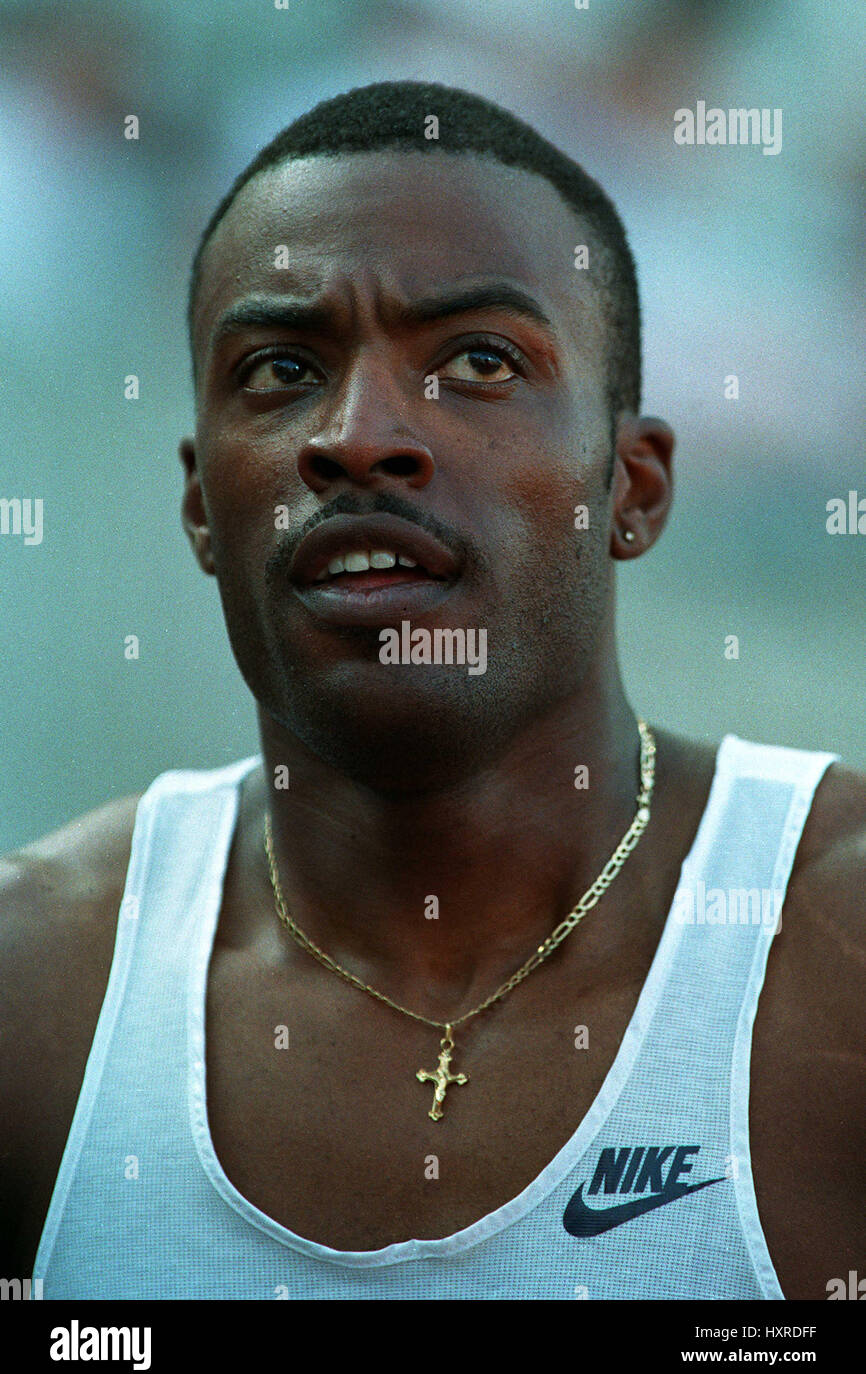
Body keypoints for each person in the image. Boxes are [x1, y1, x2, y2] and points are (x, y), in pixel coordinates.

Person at [1, 81, 863, 1301]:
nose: (356, 435)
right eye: (281, 366)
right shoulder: (35, 991)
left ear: (631, 486)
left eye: (475, 358)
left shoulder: (835, 949)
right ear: (201, 504)